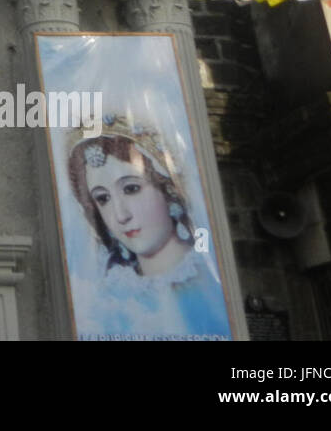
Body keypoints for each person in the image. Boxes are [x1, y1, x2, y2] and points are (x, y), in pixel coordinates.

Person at [66, 115, 231, 339]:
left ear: (169, 191)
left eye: (131, 189)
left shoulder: (209, 278)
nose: (121, 215)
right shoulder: (108, 300)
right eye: (103, 199)